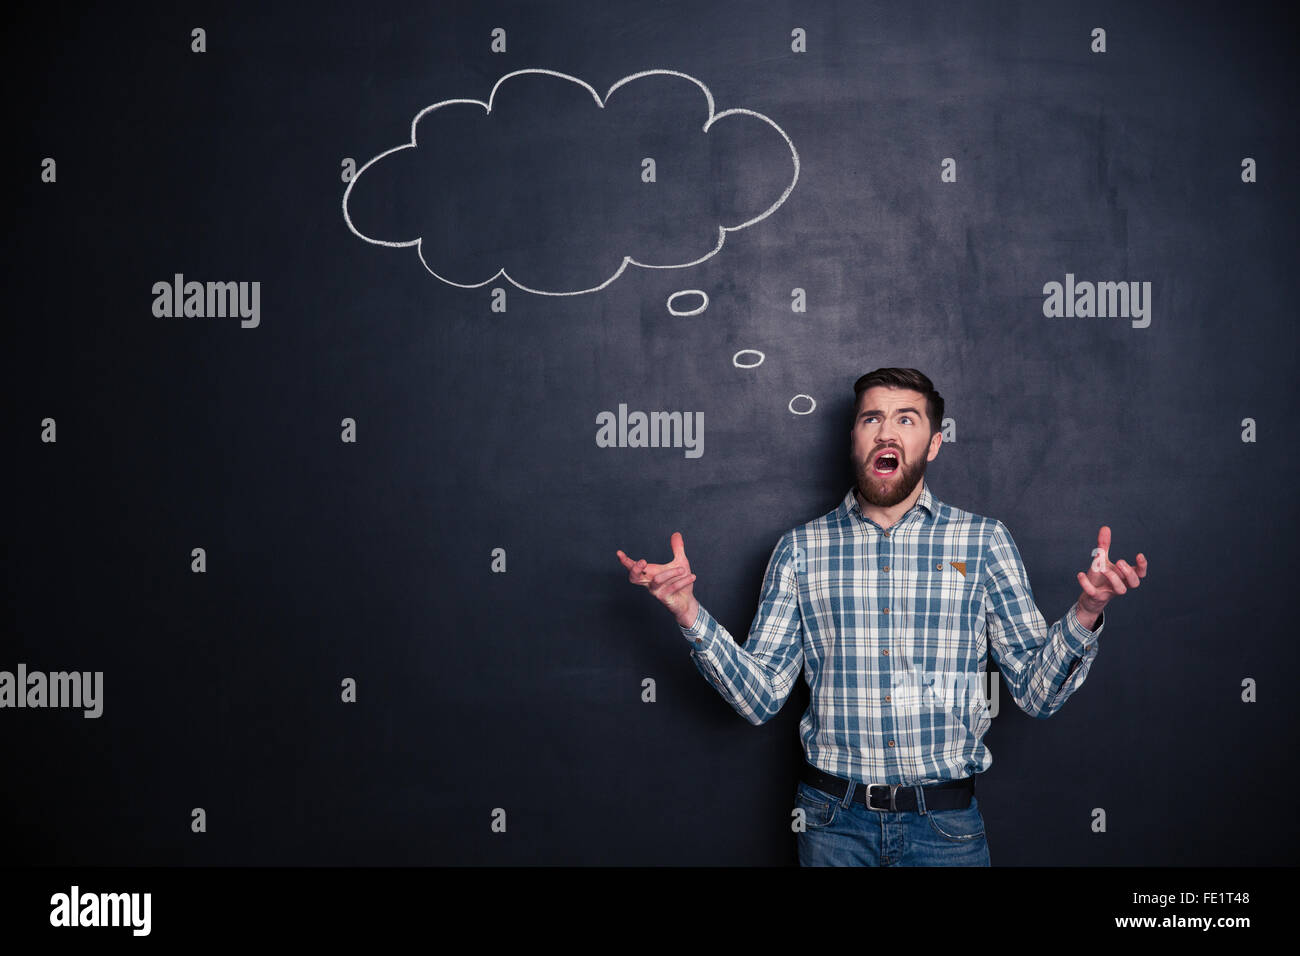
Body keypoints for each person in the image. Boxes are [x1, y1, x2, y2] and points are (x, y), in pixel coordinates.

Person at [616, 367, 1148, 866]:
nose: (885, 432)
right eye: (872, 418)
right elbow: (758, 700)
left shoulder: (984, 542)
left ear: (933, 443)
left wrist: (1086, 612)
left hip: (946, 830)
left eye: (905, 419)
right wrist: (687, 612)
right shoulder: (801, 550)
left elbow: (1037, 693)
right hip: (831, 825)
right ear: (854, 438)